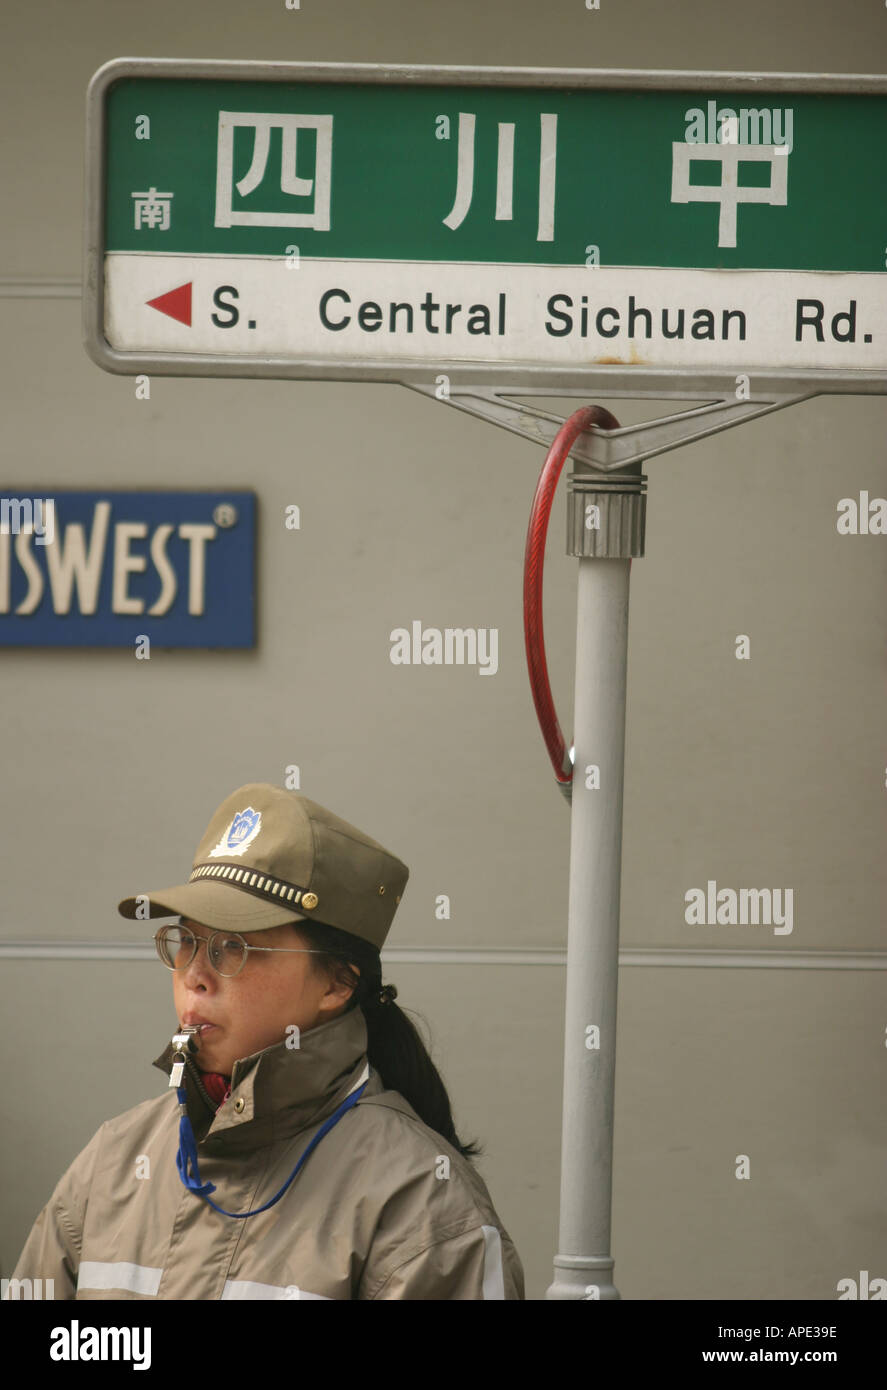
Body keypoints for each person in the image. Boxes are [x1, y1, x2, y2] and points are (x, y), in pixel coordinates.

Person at [7, 782, 525, 1300]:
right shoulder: (112, 1162)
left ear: (337, 983)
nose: (195, 975)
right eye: (185, 941)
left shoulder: (421, 1206)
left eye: (233, 946)